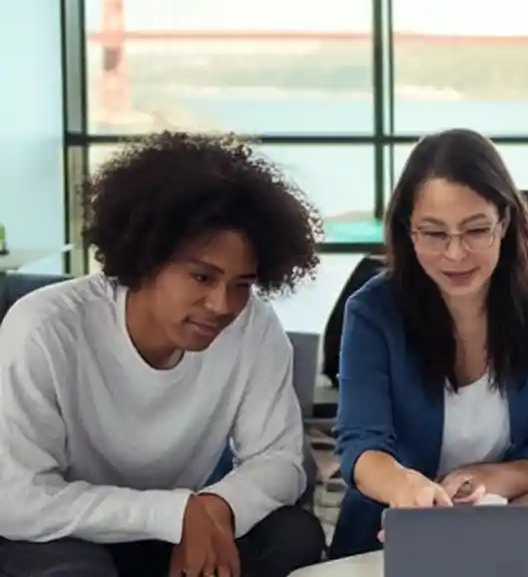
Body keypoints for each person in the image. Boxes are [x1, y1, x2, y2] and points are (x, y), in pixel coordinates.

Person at [0, 131, 327, 577]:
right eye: (202, 277)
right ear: (146, 258)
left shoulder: (254, 327)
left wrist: (215, 506)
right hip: (62, 537)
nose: (222, 305)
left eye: (242, 284)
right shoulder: (43, 328)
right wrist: (174, 513)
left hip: (176, 529)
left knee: (293, 535)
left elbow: (280, 460)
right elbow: (17, 500)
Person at [329, 128, 528, 558]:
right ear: (408, 231)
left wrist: (481, 481)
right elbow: (361, 445)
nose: (456, 254)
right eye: (434, 234)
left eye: (475, 230)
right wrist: (409, 488)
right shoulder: (373, 311)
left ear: (504, 223)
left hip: (508, 510)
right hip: (396, 520)